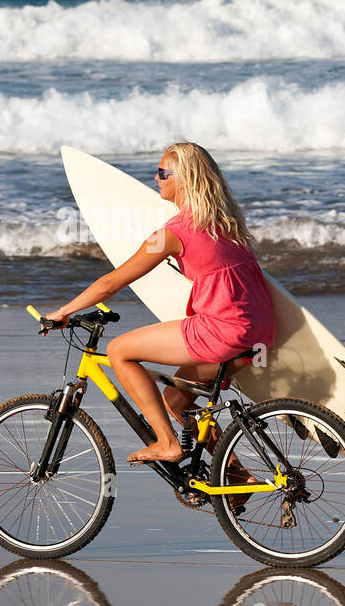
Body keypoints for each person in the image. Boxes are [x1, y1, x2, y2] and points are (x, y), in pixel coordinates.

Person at [44, 140, 277, 466]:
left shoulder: (174, 233)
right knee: (177, 400)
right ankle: (236, 475)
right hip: (261, 331)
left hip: (222, 331)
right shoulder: (227, 224)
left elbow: (113, 281)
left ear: (185, 179)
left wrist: (63, 312)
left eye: (162, 172)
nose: (156, 178)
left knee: (119, 351)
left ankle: (167, 442)